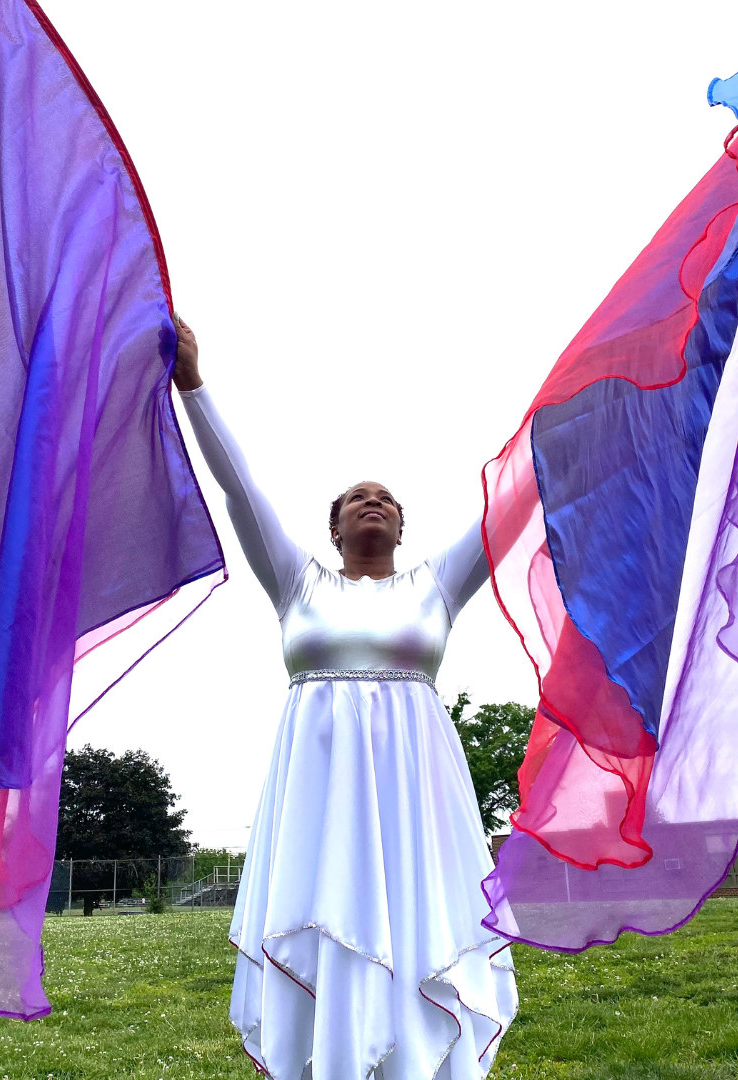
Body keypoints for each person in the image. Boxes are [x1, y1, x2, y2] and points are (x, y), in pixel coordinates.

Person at [173, 316, 517, 1080]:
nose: (374, 503)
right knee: (326, 922)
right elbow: (239, 489)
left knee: (417, 918)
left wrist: (576, 404)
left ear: (401, 526)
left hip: (414, 790)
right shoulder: (299, 584)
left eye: (387, 498)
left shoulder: (436, 585)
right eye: (357, 498)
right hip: (320, 792)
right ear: (332, 528)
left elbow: (516, 500)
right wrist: (192, 382)